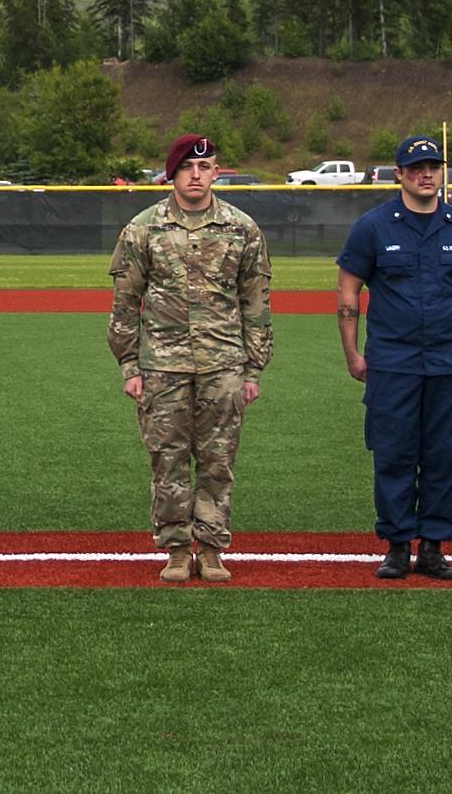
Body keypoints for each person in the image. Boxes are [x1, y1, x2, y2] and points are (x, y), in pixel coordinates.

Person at [108, 132, 274, 581]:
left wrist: (254, 368)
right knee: (168, 459)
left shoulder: (242, 229)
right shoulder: (143, 228)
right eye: (187, 168)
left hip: (224, 364)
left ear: (216, 172)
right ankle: (177, 549)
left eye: (205, 167)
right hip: (162, 365)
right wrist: (129, 365)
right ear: (173, 173)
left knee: (219, 460)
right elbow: (126, 303)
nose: (196, 175)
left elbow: (255, 304)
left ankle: (214, 547)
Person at [337, 135, 452, 581]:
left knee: (448, 453)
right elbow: (349, 289)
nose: (426, 174)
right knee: (393, 452)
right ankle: (396, 545)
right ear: (399, 174)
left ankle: (433, 545)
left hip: (449, 361)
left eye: (433, 166)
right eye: (416, 167)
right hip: (393, 361)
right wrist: (352, 352)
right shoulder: (373, 227)